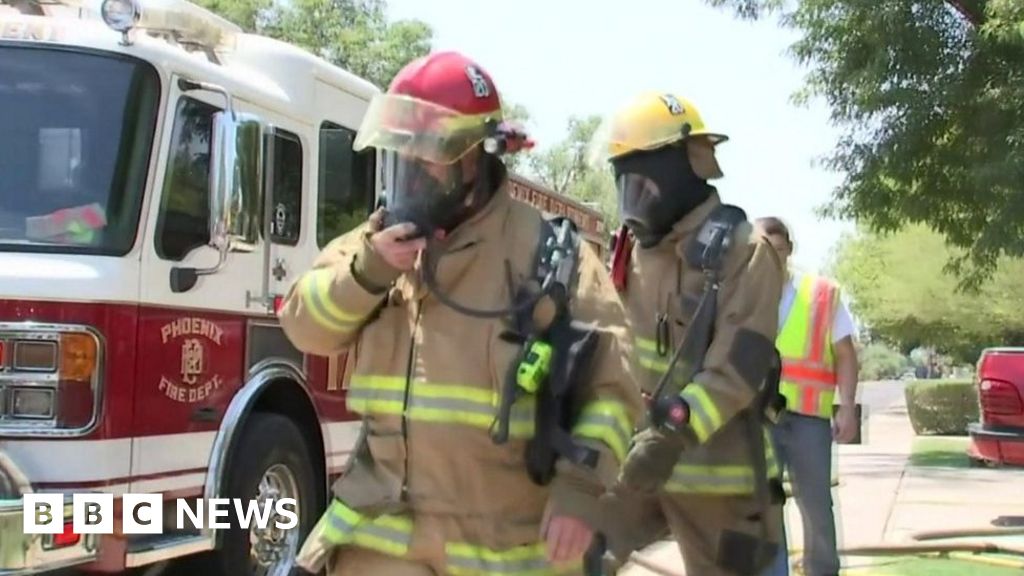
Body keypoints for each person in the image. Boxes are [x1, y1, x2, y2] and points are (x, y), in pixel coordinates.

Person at [277, 50, 643, 576]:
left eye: (430, 149)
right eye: (403, 146)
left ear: (478, 154)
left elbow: (614, 391)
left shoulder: (549, 255)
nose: (411, 165)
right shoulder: (376, 242)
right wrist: (368, 272)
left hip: (503, 550)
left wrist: (580, 490)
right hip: (378, 541)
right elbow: (303, 327)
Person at [587, 91, 787, 576]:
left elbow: (738, 367)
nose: (633, 200)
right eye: (625, 184)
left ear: (683, 168)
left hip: (723, 484)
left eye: (643, 183)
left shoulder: (746, 251)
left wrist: (670, 435)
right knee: (572, 559)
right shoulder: (630, 249)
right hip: (636, 469)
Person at [754, 217, 860, 576]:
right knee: (765, 507)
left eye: (778, 251)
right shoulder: (742, 294)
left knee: (815, 506)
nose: (772, 259)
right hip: (759, 420)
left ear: (790, 250)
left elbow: (845, 353)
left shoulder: (821, 294)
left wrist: (846, 407)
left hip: (808, 421)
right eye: (763, 251)